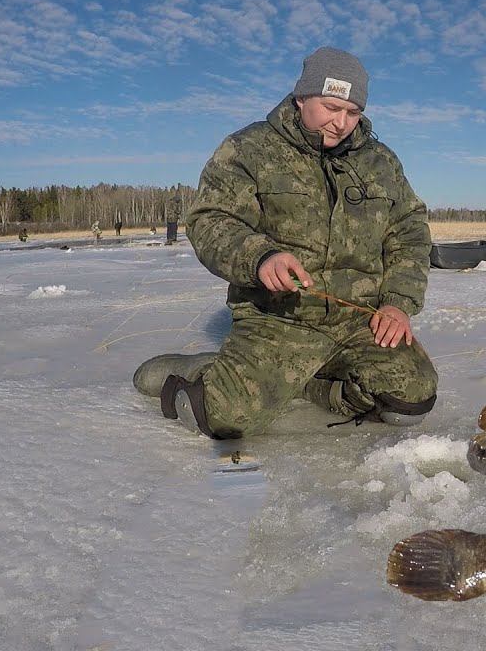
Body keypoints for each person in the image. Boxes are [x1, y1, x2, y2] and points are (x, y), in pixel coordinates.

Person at [136, 47, 437, 439]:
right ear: (301, 98)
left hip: (359, 319)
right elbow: (210, 219)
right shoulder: (250, 149)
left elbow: (409, 231)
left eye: (353, 112)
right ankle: (203, 373)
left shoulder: (380, 162)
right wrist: (260, 258)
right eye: (331, 107)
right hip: (278, 319)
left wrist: (398, 303)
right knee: (225, 418)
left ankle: (306, 382)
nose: (341, 123)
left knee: (411, 400)